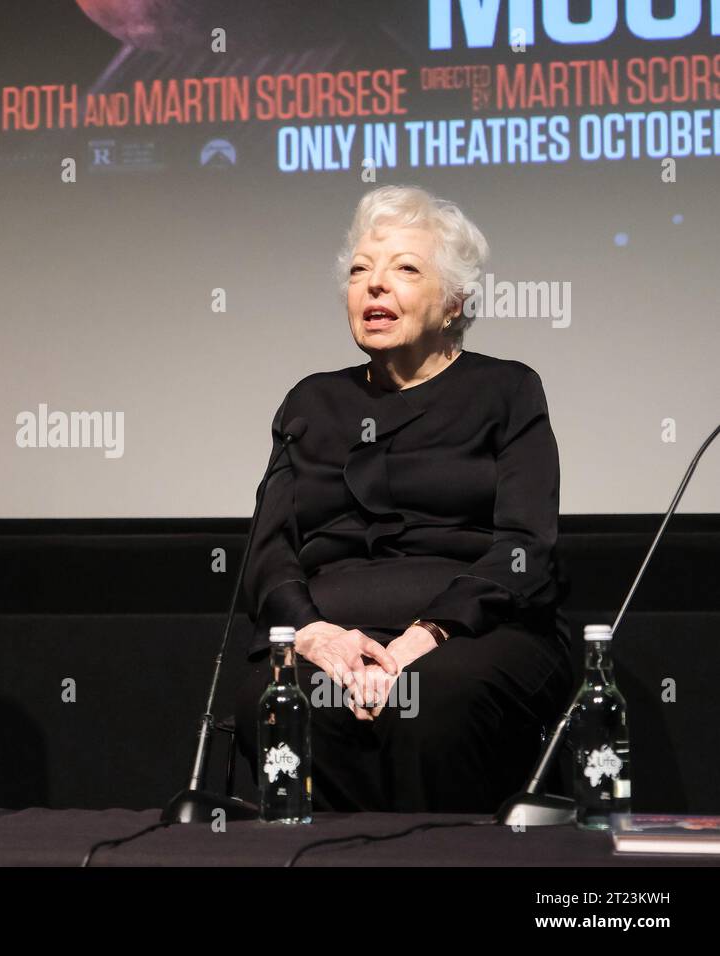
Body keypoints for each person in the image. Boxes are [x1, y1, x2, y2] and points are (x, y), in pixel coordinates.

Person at [234, 185, 574, 813]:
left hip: (475, 631)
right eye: (360, 270)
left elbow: (526, 547)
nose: (374, 285)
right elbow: (269, 548)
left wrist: (427, 634)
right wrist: (313, 634)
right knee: (287, 699)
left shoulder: (506, 390)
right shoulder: (311, 402)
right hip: (332, 630)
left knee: (433, 701)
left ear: (454, 303)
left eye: (405, 269)